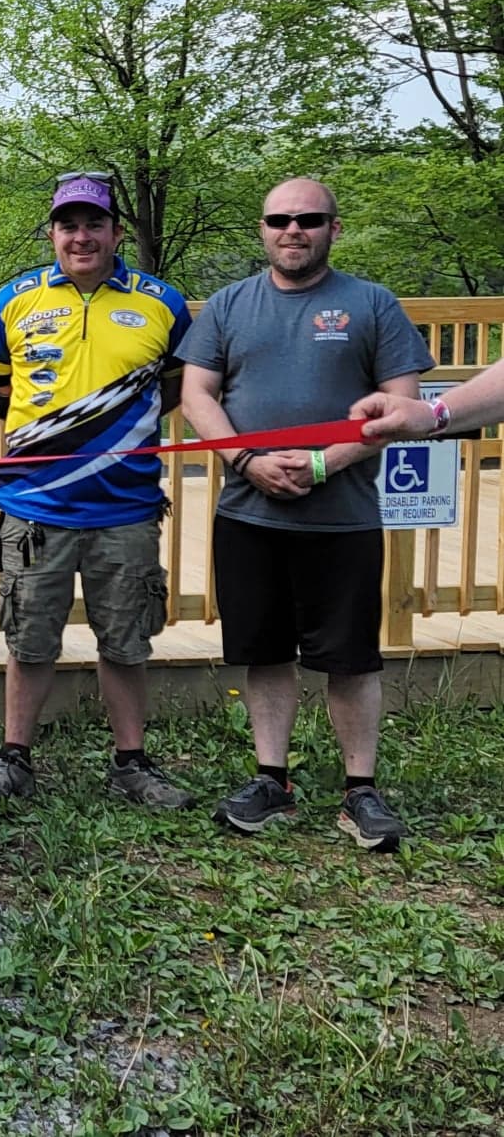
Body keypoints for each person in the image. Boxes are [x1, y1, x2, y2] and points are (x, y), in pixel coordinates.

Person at [179, 178, 431, 850]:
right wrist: (245, 462)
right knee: (265, 652)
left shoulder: (371, 304)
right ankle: (272, 781)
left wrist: (323, 463)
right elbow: (197, 393)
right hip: (248, 511)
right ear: (262, 229)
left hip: (343, 516)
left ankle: (361, 791)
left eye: (308, 219)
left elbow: (402, 404)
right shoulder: (230, 305)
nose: (293, 230)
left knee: (351, 658)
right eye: (279, 219)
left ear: (333, 228)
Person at [0, 174, 195, 809]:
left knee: (126, 641)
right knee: (28, 638)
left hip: (126, 506)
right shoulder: (13, 300)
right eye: (69, 225)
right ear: (53, 234)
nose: (82, 236)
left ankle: (131, 763)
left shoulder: (162, 303)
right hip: (32, 506)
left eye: (94, 224)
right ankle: (14, 759)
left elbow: (178, 386)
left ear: (116, 232)